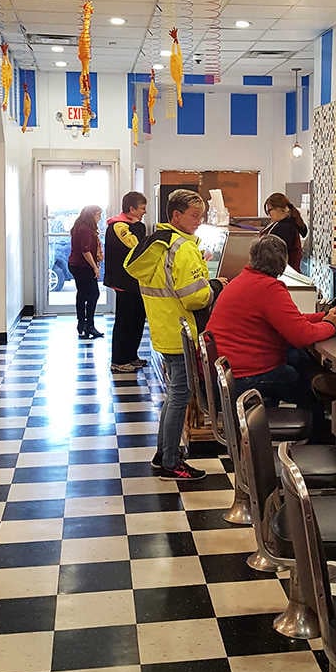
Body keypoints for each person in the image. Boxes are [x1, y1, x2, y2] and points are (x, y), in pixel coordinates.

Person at [124, 189, 224, 481]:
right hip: (183, 331)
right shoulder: (183, 248)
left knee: (174, 396)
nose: (199, 220)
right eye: (194, 216)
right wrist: (215, 286)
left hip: (165, 329)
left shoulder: (159, 243)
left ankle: (163, 454)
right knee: (180, 396)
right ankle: (170, 462)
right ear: (176, 216)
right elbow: (194, 298)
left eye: (201, 215)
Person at [205, 235, 336, 431]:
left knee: (294, 355)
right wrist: (330, 325)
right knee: (301, 383)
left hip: (229, 371)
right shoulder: (268, 288)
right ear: (282, 263)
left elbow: (290, 320)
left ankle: (323, 380)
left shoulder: (244, 280)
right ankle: (318, 435)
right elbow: (301, 335)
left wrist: (323, 316)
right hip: (244, 377)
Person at [103, 191, 148, 373]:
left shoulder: (131, 225)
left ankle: (131, 355)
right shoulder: (119, 226)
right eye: (142, 208)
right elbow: (136, 244)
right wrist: (139, 226)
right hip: (124, 283)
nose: (144, 212)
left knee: (137, 319)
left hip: (134, 282)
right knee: (125, 322)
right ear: (132, 209)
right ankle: (119, 360)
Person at [68, 204, 103, 339]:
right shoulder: (85, 229)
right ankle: (88, 325)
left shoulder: (80, 226)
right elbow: (85, 251)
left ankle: (83, 324)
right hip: (83, 266)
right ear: (91, 215)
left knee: (83, 294)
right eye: (98, 215)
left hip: (77, 265)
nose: (99, 218)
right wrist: (95, 267)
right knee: (93, 294)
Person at [261, 192, 307, 271]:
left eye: (269, 211)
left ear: (279, 208)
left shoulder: (284, 228)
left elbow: (275, 256)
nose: (269, 215)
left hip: (284, 273)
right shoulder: (288, 224)